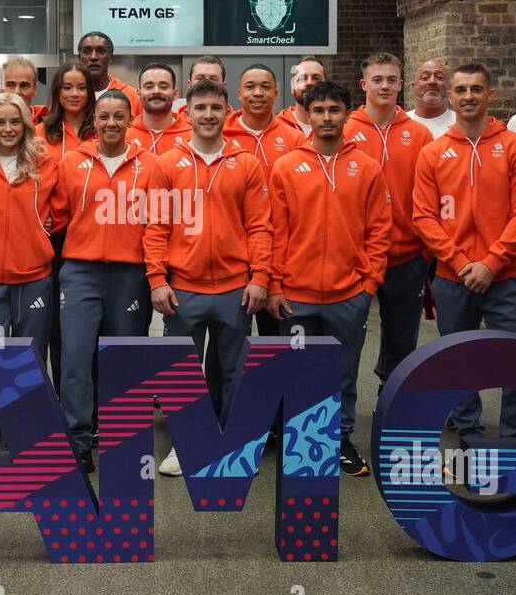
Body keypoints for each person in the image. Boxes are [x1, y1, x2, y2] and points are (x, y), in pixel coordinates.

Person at [145, 78, 272, 477]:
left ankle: (227, 441)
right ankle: (187, 442)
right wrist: (157, 279)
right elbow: (155, 226)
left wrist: (260, 277)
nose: (208, 116)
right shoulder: (167, 163)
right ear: (188, 113)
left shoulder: (247, 163)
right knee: (182, 371)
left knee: (235, 370)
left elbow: (260, 226)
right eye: (200, 108)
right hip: (183, 287)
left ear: (226, 111)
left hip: (237, 287)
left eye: (215, 108)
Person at [267, 81, 391, 476]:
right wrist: (275, 284)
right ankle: (301, 444)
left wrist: (368, 285)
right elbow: (274, 230)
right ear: (307, 114)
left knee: (344, 372)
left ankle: (340, 440)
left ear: (347, 114)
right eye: (318, 110)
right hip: (295, 296)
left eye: (334, 110)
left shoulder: (367, 167)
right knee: (298, 372)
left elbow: (378, 230)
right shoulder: (286, 166)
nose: (326, 118)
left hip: (348, 294)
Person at [411, 62, 516, 439]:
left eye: (476, 89)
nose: (468, 97)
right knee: (458, 359)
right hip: (453, 277)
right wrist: (464, 263)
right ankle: (469, 431)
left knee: (515, 358)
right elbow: (423, 217)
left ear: (490, 95)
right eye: (461, 90)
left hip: (507, 276)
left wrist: (491, 263)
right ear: (451, 96)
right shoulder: (432, 153)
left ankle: (515, 435)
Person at [51, 90, 168, 473]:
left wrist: (154, 275)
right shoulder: (72, 161)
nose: (111, 124)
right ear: (94, 121)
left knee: (124, 359)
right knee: (75, 359)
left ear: (130, 119)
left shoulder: (150, 165)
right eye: (104, 117)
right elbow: (60, 214)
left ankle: (123, 440)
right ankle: (78, 440)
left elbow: (156, 223)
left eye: (119, 117)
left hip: (128, 274)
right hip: (81, 273)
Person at [0, 93, 60, 449]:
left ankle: (29, 429)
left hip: (34, 274)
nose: (7, 129)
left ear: (25, 125)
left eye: (14, 121)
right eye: (0, 122)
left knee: (30, 356)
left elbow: (59, 208)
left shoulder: (44, 163)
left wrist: (40, 231)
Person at [345, 52, 434, 396]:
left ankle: (392, 396)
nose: (384, 86)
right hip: (356, 257)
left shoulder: (420, 134)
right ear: (363, 84)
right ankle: (342, 406)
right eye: (377, 79)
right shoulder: (346, 130)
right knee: (350, 334)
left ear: (401, 84)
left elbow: (428, 195)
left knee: (401, 336)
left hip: (407, 255)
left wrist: (423, 249)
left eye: (391, 80)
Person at [222, 64, 305, 336]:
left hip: (278, 253)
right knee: (230, 342)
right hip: (233, 253)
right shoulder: (221, 135)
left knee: (275, 338)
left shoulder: (294, 138)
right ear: (238, 93)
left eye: (265, 87)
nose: (258, 93)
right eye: (250, 87)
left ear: (277, 93)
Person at [39, 62, 98, 389]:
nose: (74, 94)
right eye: (67, 87)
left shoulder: (101, 130)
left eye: (81, 88)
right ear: (57, 92)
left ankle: (97, 407)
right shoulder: (40, 134)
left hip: (91, 238)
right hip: (52, 241)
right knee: (59, 330)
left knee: (90, 330)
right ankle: (64, 399)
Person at [128, 63, 190, 155]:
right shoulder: (125, 135)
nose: (156, 91)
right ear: (138, 94)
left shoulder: (192, 136)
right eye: (149, 87)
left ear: (175, 94)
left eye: (163, 87)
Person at [76, 31, 141, 115]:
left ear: (110, 57)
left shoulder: (132, 96)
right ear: (79, 58)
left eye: (100, 51)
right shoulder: (69, 96)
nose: (93, 57)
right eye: (87, 51)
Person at [407, 59, 455, 140]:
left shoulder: (461, 124)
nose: (432, 81)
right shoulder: (401, 123)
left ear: (449, 87)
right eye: (425, 77)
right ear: (413, 86)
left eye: (439, 77)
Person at [278, 55, 325, 137]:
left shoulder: (339, 127)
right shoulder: (276, 125)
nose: (309, 83)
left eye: (316, 78)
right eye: (302, 78)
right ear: (292, 87)